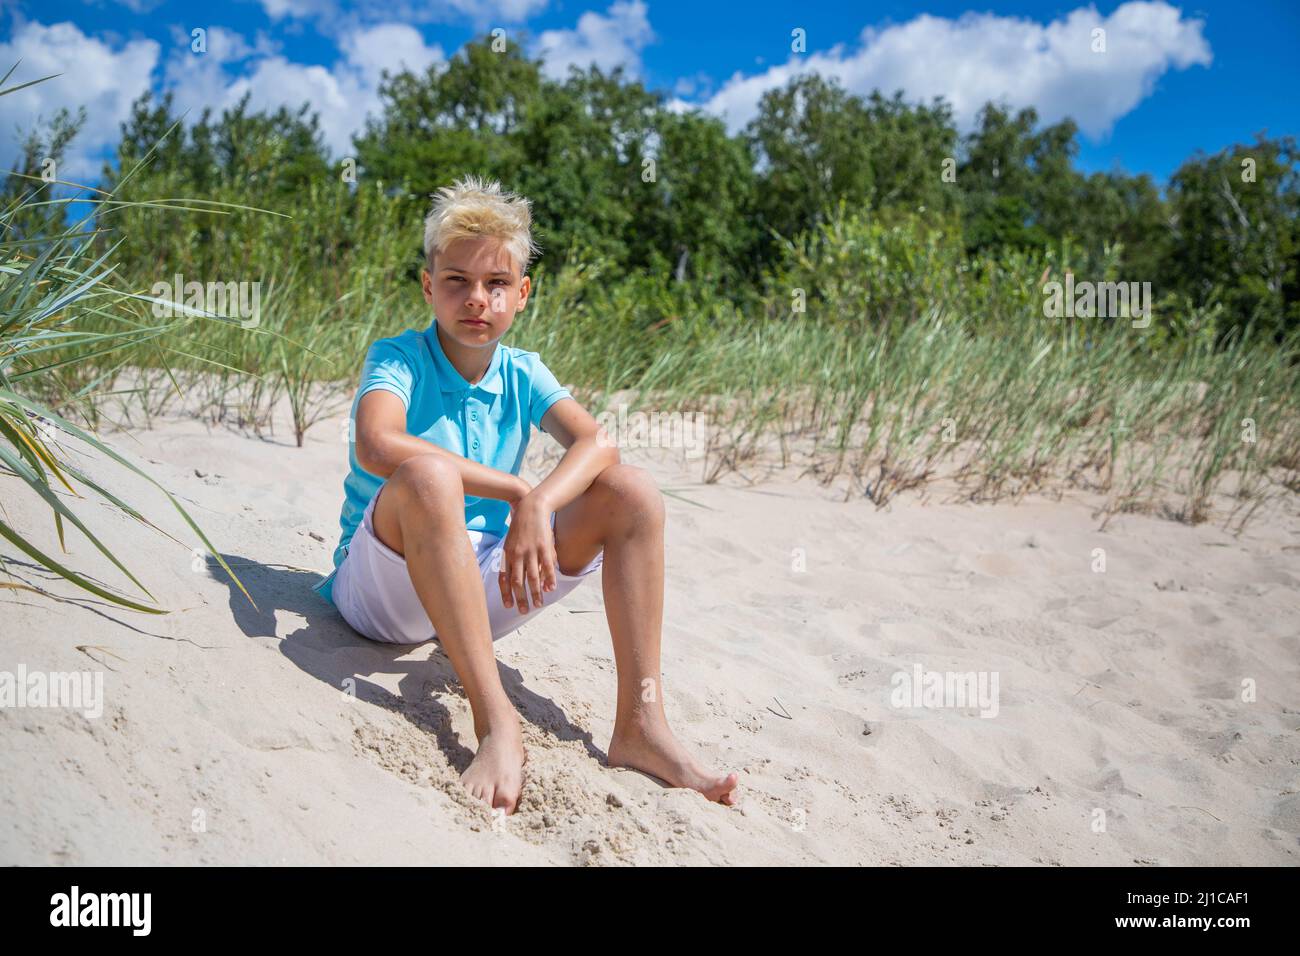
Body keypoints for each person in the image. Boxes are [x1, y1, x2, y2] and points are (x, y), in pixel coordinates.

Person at [313, 175, 739, 814]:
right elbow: (378, 444)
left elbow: (599, 443)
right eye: (456, 281)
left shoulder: (524, 370)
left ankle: (641, 726)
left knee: (632, 493)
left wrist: (537, 503)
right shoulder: (399, 357)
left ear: (522, 294)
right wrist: (515, 485)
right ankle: (495, 721)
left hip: (479, 579)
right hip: (383, 587)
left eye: (497, 284)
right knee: (432, 478)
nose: (476, 299)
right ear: (429, 286)